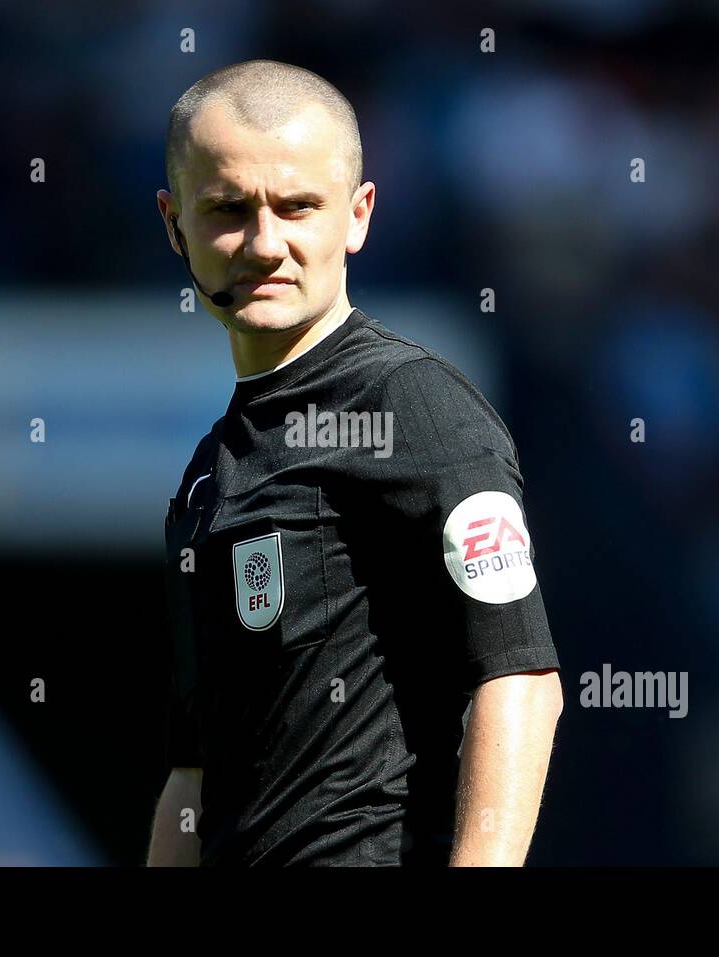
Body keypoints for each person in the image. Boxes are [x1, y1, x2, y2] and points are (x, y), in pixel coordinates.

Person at [148, 59, 563, 867]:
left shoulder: (419, 408)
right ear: (173, 224)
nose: (266, 243)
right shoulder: (206, 474)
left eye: (299, 206)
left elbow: (518, 680)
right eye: (228, 210)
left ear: (358, 215)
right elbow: (192, 774)